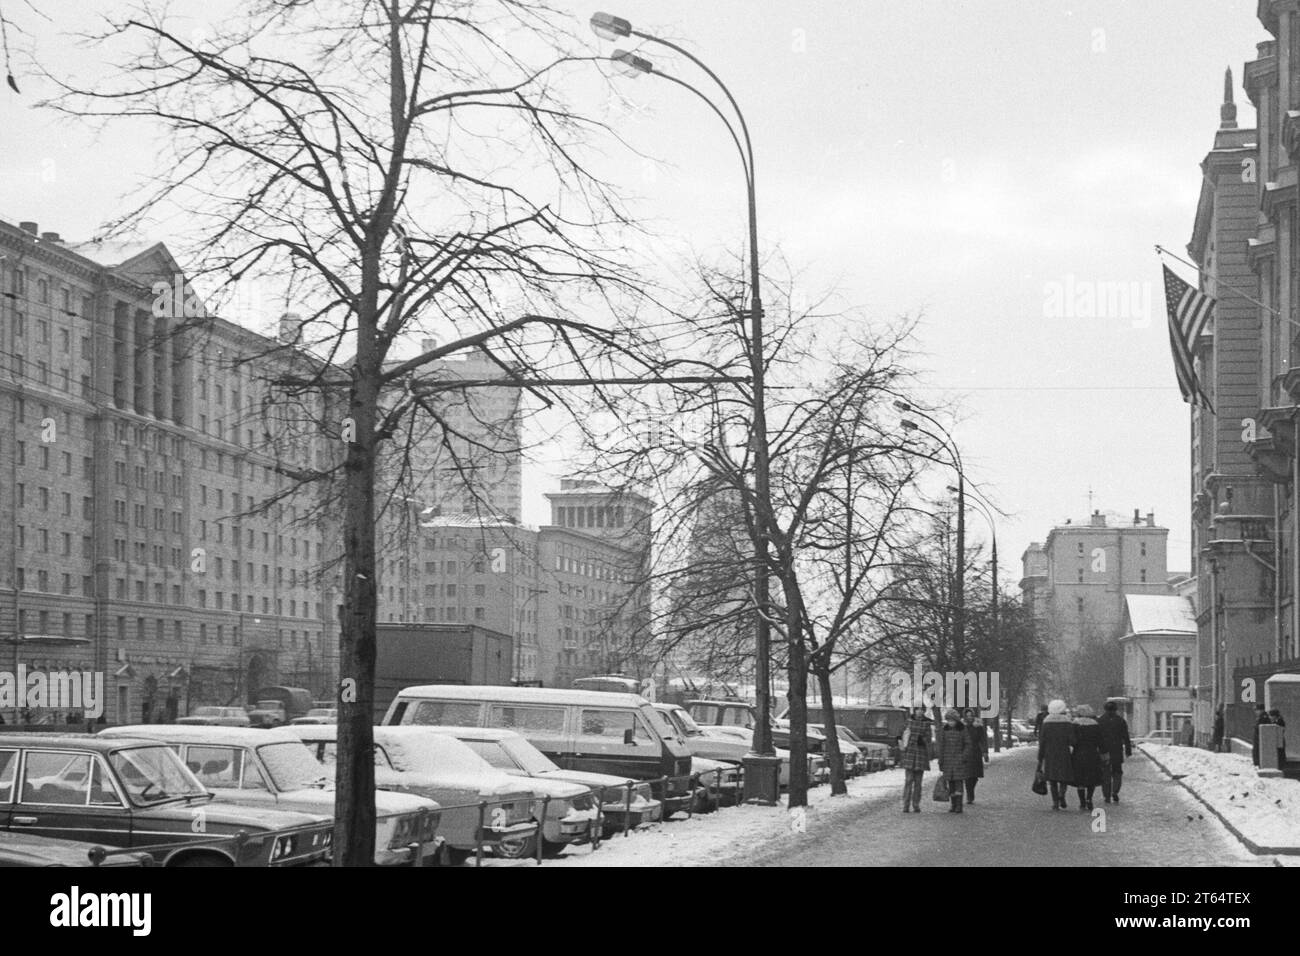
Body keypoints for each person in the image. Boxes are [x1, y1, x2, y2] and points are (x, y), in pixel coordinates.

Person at [1038, 699, 1076, 811]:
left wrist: (1040, 757)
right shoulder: (1067, 722)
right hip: (1064, 752)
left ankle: (1055, 802)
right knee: (1064, 778)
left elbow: (1042, 741)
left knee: (1052, 779)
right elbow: (1072, 740)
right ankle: (1062, 794)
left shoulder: (1046, 722)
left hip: (1050, 753)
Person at [938, 708, 974, 813]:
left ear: (956, 721)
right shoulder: (944, 730)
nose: (950, 723)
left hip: (959, 762)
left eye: (952, 720)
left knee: (958, 783)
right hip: (948, 762)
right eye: (949, 720)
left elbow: (968, 744)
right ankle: (953, 804)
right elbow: (942, 746)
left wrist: (963, 757)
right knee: (951, 784)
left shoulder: (962, 730)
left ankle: (959, 805)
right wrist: (941, 761)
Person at [899, 705, 933, 813]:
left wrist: (923, 740)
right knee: (908, 781)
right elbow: (902, 735)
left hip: (920, 754)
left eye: (921, 710)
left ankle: (916, 804)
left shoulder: (927, 723)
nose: (919, 712)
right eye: (918, 709)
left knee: (918, 782)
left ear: (924, 711)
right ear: (915, 711)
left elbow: (929, 738)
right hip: (909, 754)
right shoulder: (908, 721)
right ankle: (906, 804)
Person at [1097, 699, 1132, 803]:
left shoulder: (1100, 721)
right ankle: (1115, 791)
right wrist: (1128, 750)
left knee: (1105, 774)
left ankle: (1106, 795)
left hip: (1104, 751)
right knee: (1117, 773)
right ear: (1116, 710)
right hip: (1116, 750)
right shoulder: (1120, 721)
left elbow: (1097, 737)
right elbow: (1126, 736)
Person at [1071, 704, 1105, 811]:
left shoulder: (1075, 725)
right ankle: (1089, 798)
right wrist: (1103, 753)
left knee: (1080, 779)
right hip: (1092, 754)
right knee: (1091, 779)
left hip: (1078, 754)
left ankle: (1082, 801)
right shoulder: (1095, 725)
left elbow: (1072, 740)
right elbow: (1100, 741)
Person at [962, 707, 989, 804]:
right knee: (968, 776)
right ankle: (970, 795)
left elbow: (983, 739)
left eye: (970, 715)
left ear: (973, 716)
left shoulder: (978, 726)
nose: (969, 717)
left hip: (976, 753)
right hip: (965, 753)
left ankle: (971, 791)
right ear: (964, 716)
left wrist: (985, 752)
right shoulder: (962, 726)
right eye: (967, 716)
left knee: (974, 776)